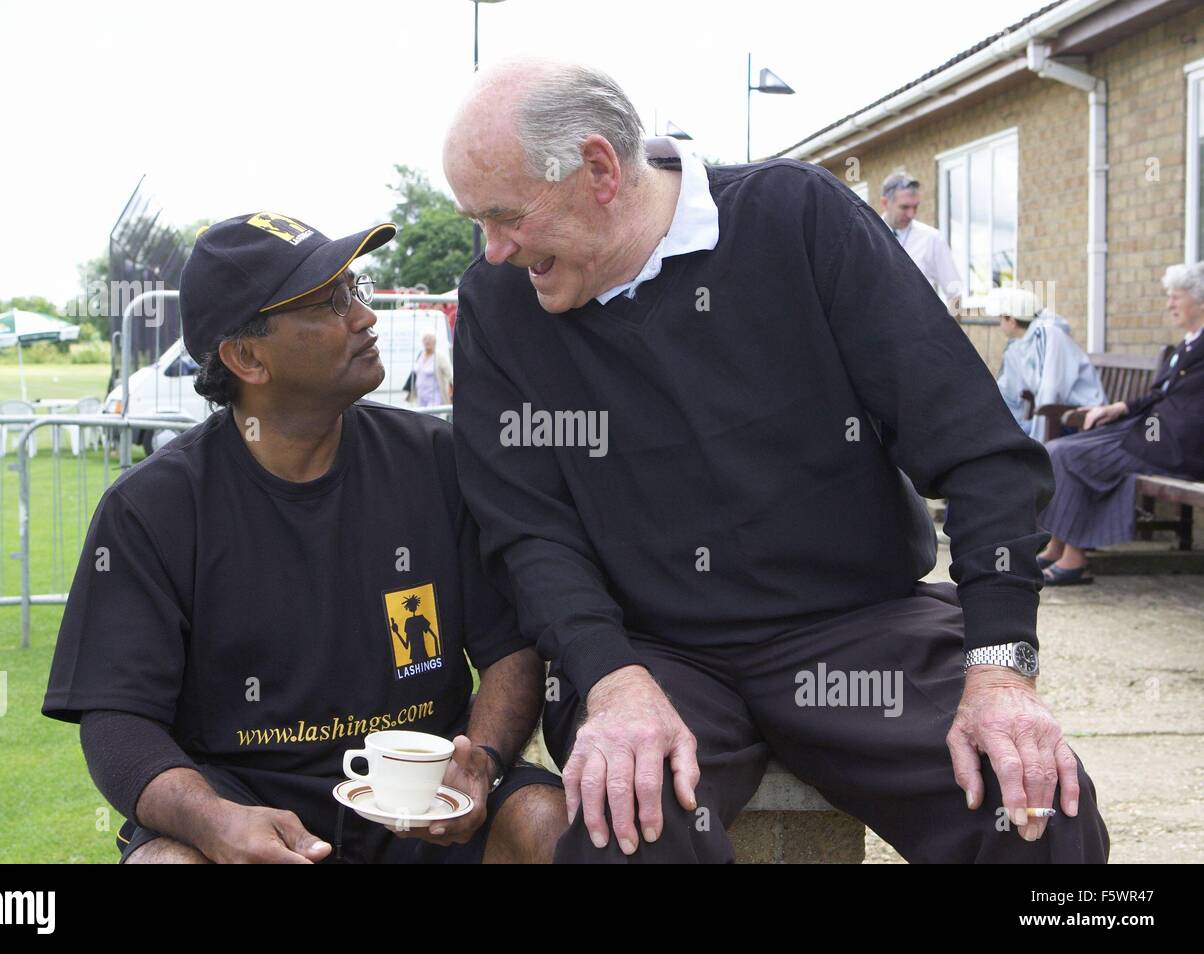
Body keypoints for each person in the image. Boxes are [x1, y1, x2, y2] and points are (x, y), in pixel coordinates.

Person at [442, 59, 1110, 863]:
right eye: (478, 222)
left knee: (1037, 810)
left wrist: (1002, 670)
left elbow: (980, 452)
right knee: (626, 835)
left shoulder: (797, 217)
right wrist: (608, 679)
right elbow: (528, 529)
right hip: (646, 649)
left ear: (597, 169)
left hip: (857, 626)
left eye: (506, 216)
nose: (496, 249)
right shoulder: (498, 301)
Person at [42, 211, 565, 863]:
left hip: (421, 813)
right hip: (247, 813)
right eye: (330, 302)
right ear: (247, 356)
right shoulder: (151, 510)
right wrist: (215, 822)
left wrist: (479, 763)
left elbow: (511, 649)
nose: (364, 317)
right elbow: (117, 722)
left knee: (547, 820)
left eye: (356, 290)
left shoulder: (435, 462)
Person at [1037, 262, 1204, 586]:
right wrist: (1119, 407)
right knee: (1055, 450)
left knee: (1073, 456)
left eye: (1176, 297)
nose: (1169, 304)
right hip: (1153, 433)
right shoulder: (1188, 343)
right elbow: (1160, 393)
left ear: (1200, 301)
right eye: (1168, 296)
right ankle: (1057, 545)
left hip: (1175, 446)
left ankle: (1075, 560)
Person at [989, 286, 1106, 441]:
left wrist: (1038, 442)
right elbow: (1007, 388)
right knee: (1004, 434)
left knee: (1017, 437)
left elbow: (1051, 388)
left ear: (1011, 321)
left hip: (1081, 416)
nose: (1000, 325)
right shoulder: (1017, 346)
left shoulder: (1048, 335)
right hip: (1056, 414)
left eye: (1001, 319)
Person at [879, 171, 962, 315]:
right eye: (904, 207)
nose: (911, 214)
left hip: (918, 331)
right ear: (885, 203)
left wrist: (950, 335)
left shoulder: (932, 239)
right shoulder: (867, 235)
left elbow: (954, 292)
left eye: (915, 207)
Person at [406, 332, 454, 407]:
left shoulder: (440, 357)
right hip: (420, 397)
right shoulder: (420, 355)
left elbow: (451, 376)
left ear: (434, 341)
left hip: (435, 398)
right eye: (425, 339)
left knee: (432, 417)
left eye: (430, 339)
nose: (427, 341)